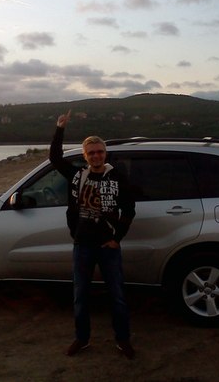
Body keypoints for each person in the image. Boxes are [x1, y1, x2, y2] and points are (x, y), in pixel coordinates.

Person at [49, 110, 136, 359]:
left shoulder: (117, 177)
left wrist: (117, 238)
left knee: (117, 296)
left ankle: (123, 339)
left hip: (108, 246)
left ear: (105, 153)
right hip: (83, 244)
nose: (96, 155)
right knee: (80, 296)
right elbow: (55, 158)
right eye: (91, 153)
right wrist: (60, 128)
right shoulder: (78, 176)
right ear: (85, 156)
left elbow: (129, 209)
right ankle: (82, 338)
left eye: (100, 151)